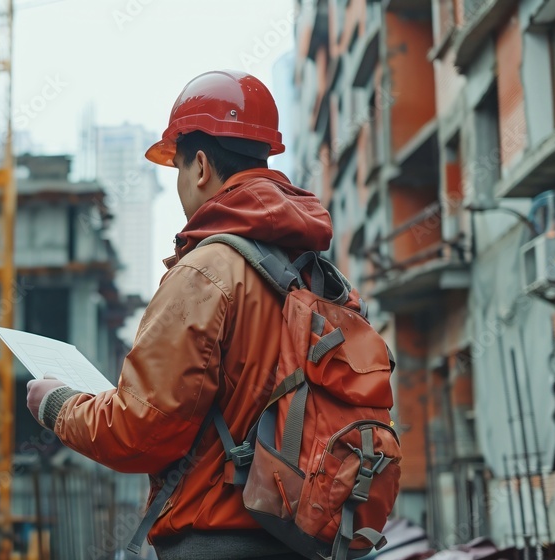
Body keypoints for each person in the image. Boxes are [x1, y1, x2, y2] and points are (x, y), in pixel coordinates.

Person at [25, 70, 332, 560]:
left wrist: (56, 405)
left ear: (201, 166)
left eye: (178, 168)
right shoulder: (315, 272)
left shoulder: (206, 272)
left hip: (218, 541)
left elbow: (140, 432)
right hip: (304, 541)